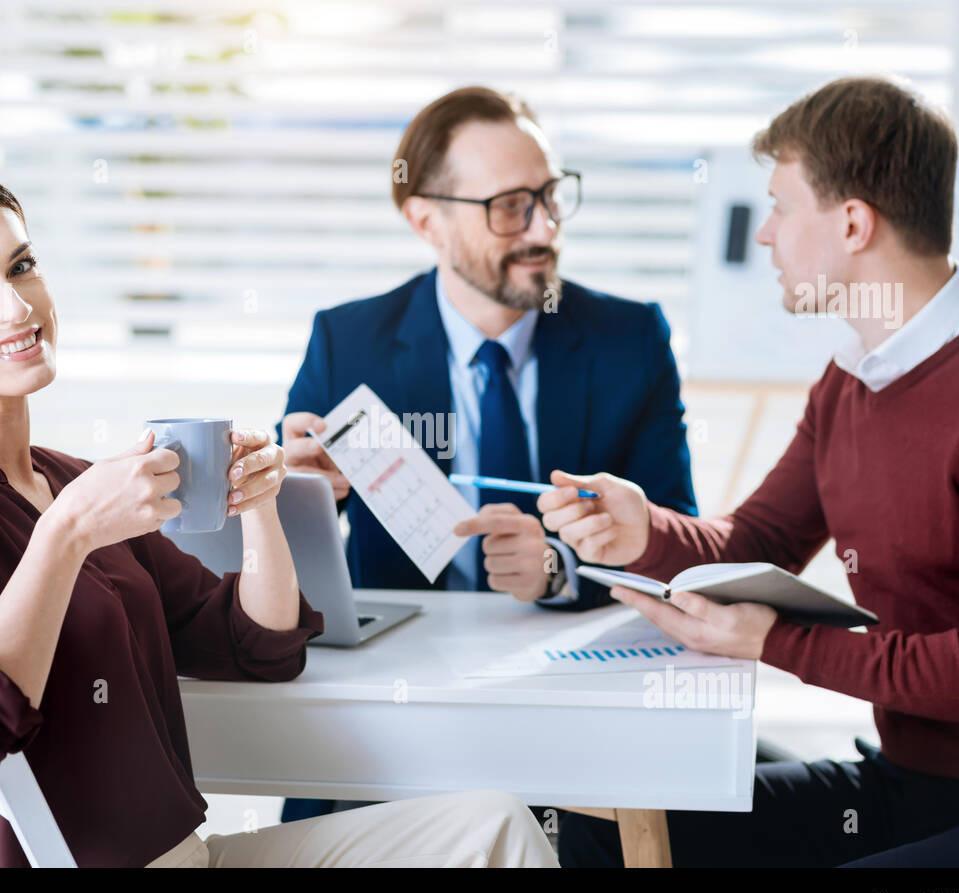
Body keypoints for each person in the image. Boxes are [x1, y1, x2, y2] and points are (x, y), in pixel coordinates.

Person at [0, 167, 558, 868]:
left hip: (186, 857)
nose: (14, 305)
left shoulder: (69, 481)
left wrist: (260, 504)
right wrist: (66, 534)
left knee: (493, 828)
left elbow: (259, 645)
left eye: (21, 266)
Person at [540, 76, 959, 867]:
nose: (765, 235)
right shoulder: (849, 382)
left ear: (852, 222)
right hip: (905, 783)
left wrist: (779, 642)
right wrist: (643, 530)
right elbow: (756, 543)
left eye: (781, 206)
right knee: (596, 830)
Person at [275, 86, 700, 824]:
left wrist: (561, 569)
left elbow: (679, 549)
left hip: (570, 710)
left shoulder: (630, 341)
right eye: (509, 206)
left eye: (550, 196)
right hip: (394, 713)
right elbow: (278, 569)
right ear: (426, 220)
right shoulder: (349, 343)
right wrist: (301, 494)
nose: (544, 227)